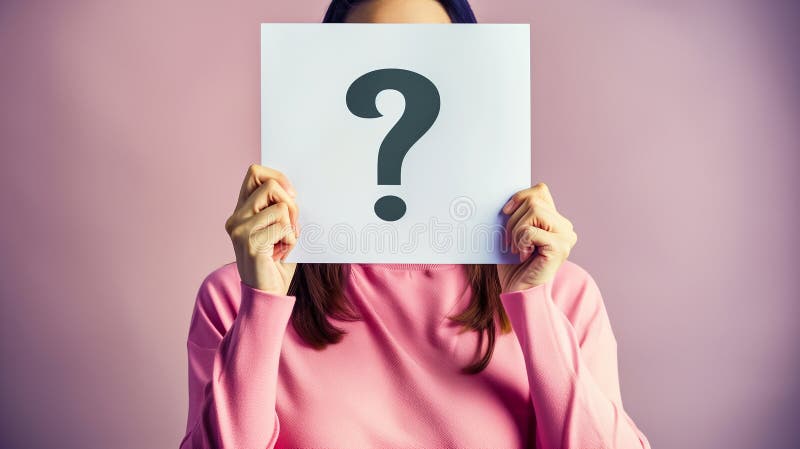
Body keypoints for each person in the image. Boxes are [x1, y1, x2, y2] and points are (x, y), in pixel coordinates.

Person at [179, 0, 652, 448]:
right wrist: (260, 306)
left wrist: (533, 305)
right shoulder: (234, 299)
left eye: (432, 60)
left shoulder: (564, 296)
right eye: (367, 57)